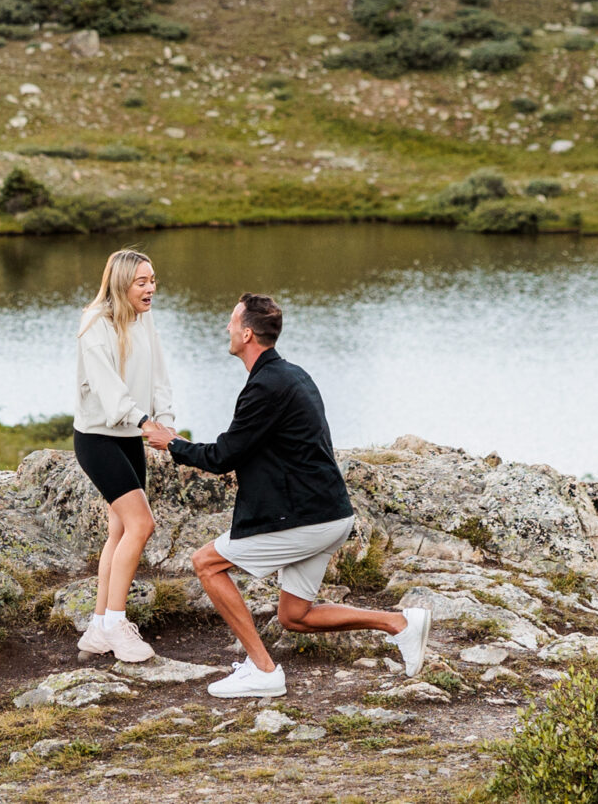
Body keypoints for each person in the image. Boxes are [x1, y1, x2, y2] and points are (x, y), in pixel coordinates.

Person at [149, 292, 429, 698]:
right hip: (330, 513)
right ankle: (400, 624)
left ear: (247, 333)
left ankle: (263, 670)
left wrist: (172, 443)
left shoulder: (266, 386)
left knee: (206, 564)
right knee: (294, 616)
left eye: (231, 322)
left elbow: (224, 456)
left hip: (307, 517)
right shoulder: (292, 374)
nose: (225, 328)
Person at [72, 249, 174, 663]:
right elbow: (108, 389)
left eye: (153, 280)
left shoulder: (144, 319)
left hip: (130, 436)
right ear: (121, 284)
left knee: (119, 533)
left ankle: (98, 628)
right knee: (141, 524)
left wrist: (163, 419)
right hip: (98, 439)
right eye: (142, 282)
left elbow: (160, 375)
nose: (150, 288)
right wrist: (144, 420)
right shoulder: (94, 324)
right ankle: (116, 622)